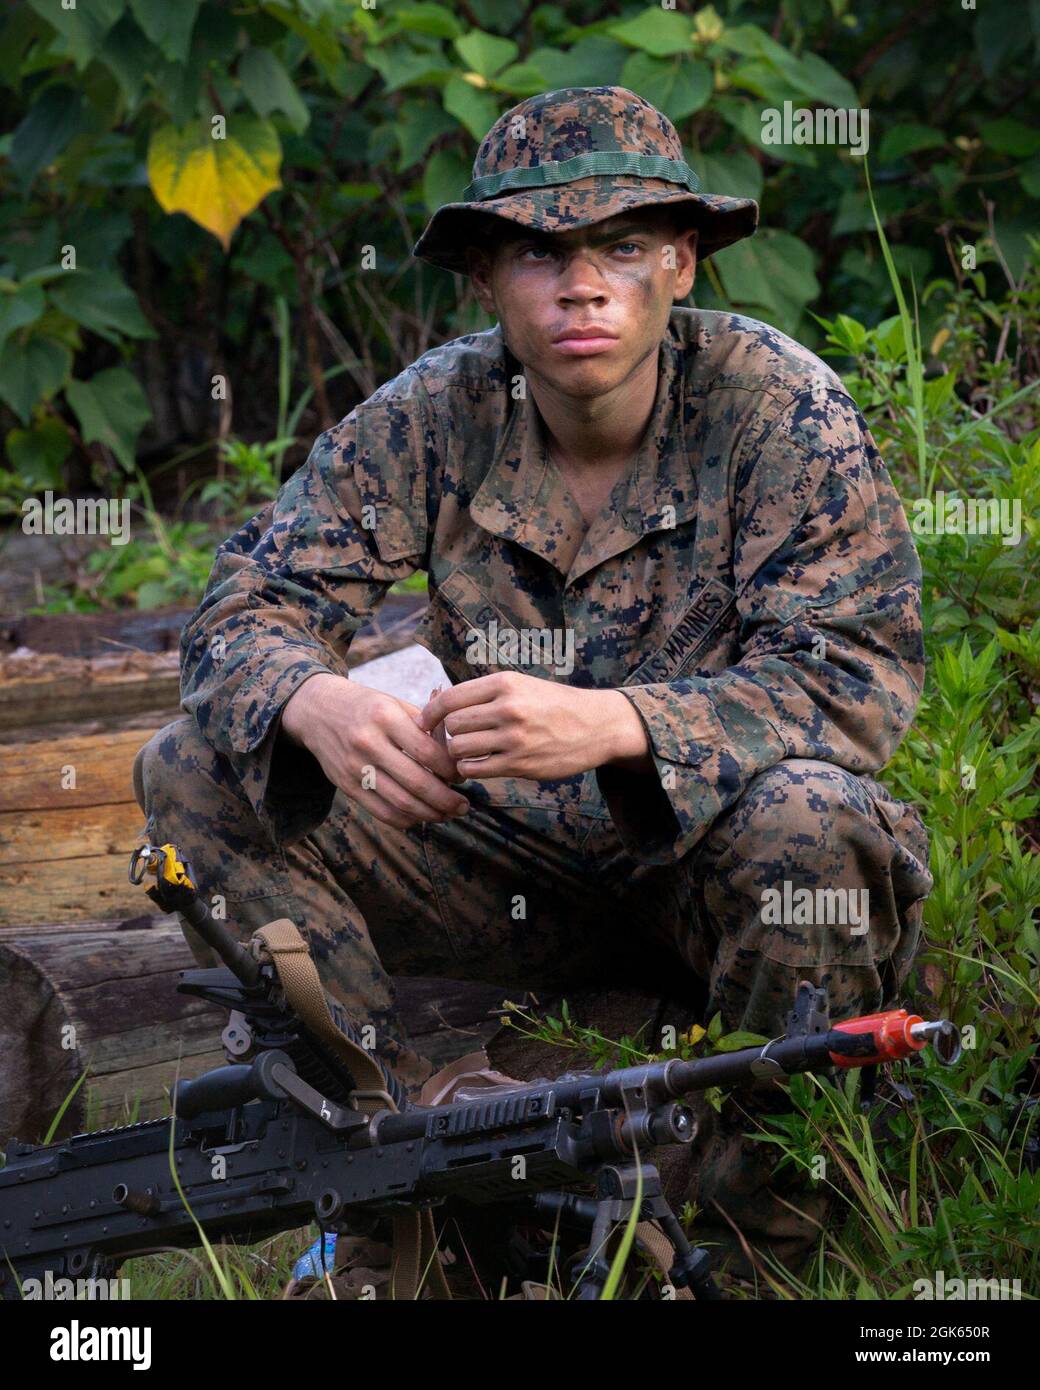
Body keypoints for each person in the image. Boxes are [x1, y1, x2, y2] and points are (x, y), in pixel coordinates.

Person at [133, 85, 933, 1285]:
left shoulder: (774, 406)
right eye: (537, 253)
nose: (581, 286)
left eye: (620, 246)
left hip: (709, 864)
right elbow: (239, 613)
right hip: (494, 860)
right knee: (189, 768)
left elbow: (858, 674)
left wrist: (616, 722)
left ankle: (764, 1249)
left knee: (812, 823)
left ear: (679, 261)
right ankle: (386, 1176)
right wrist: (322, 700)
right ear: (486, 280)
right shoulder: (436, 414)